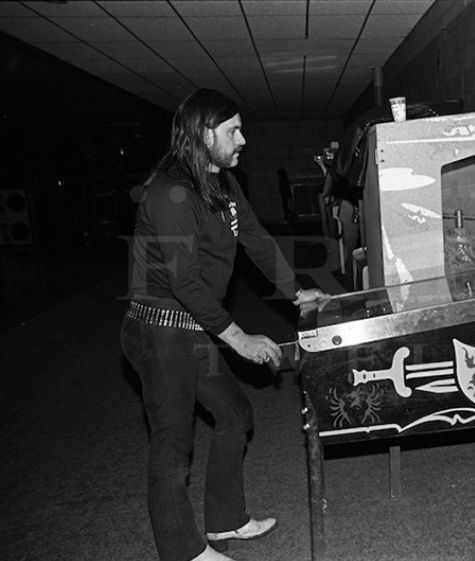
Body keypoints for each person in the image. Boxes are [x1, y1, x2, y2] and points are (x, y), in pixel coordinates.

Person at [120, 88, 327, 561]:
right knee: (172, 445)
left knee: (235, 415)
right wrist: (238, 338)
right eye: (233, 130)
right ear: (203, 132)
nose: (243, 139)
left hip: (190, 327)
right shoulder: (170, 191)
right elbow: (186, 282)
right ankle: (184, 552)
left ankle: (226, 521)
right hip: (160, 330)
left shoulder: (220, 182)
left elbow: (254, 238)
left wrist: (296, 293)